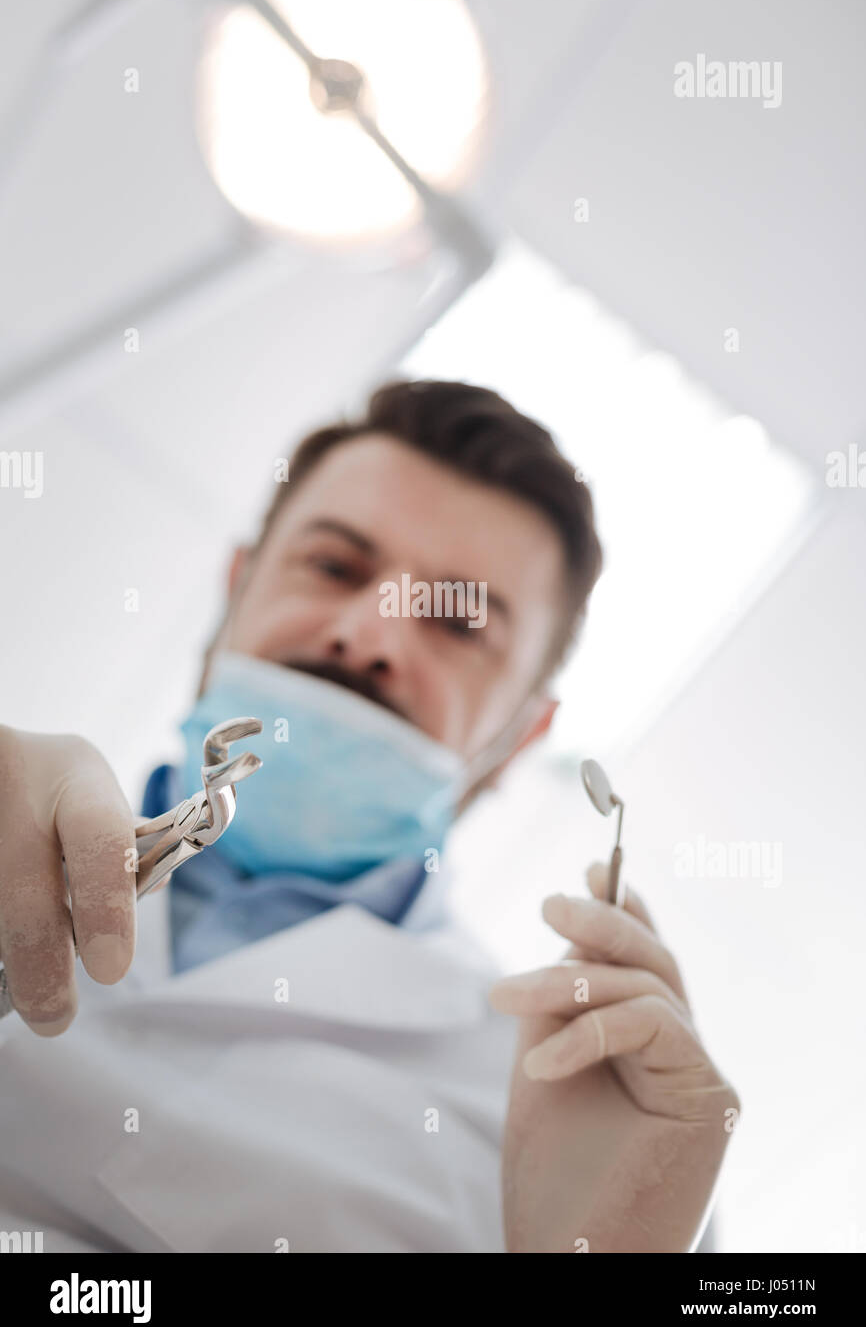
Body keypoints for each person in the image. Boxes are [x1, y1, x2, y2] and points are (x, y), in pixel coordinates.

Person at [0, 379, 739, 1253]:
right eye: (336, 567)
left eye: (457, 624)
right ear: (236, 589)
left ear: (519, 735)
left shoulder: (575, 1113)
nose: (370, 636)